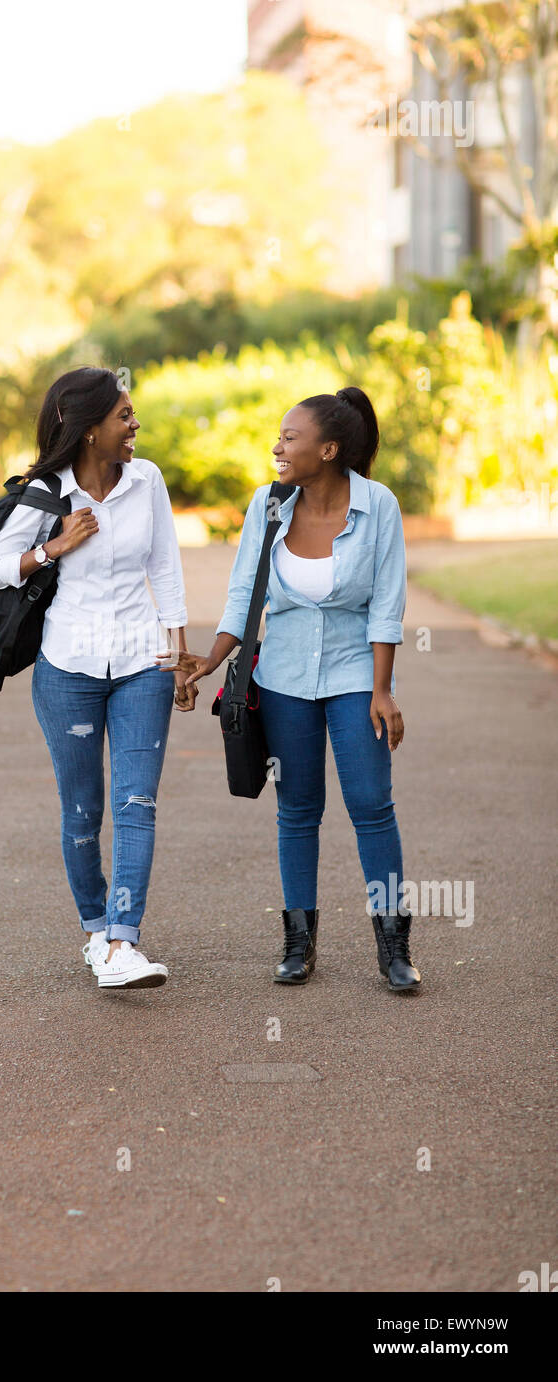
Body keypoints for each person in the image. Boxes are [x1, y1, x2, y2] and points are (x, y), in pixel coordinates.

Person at [171, 386, 421, 992]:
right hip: (281, 676)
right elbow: (243, 595)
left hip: (355, 675)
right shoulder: (270, 504)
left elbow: (387, 605)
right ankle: (298, 944)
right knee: (297, 810)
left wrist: (382, 691)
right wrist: (210, 660)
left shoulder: (378, 505)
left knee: (371, 805)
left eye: (290, 438)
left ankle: (394, 948)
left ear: (329, 449)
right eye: (280, 437)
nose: (277, 447)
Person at [0, 366, 195, 990]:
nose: (134, 426)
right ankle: (96, 930)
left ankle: (123, 942)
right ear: (90, 430)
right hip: (67, 669)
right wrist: (55, 546)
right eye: (124, 416)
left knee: (137, 804)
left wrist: (180, 657)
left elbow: (167, 566)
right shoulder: (47, 491)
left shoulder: (147, 480)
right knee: (82, 811)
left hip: (143, 665)